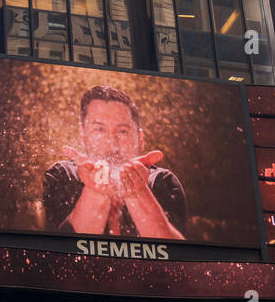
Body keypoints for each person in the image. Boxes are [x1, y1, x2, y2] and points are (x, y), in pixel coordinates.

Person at [42, 85, 186, 240]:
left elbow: (178, 256)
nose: (111, 143)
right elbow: (60, 253)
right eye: (99, 130)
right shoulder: (63, 175)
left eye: (122, 131)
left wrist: (137, 192)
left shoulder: (162, 181)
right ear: (82, 134)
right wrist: (95, 192)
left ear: (140, 138)